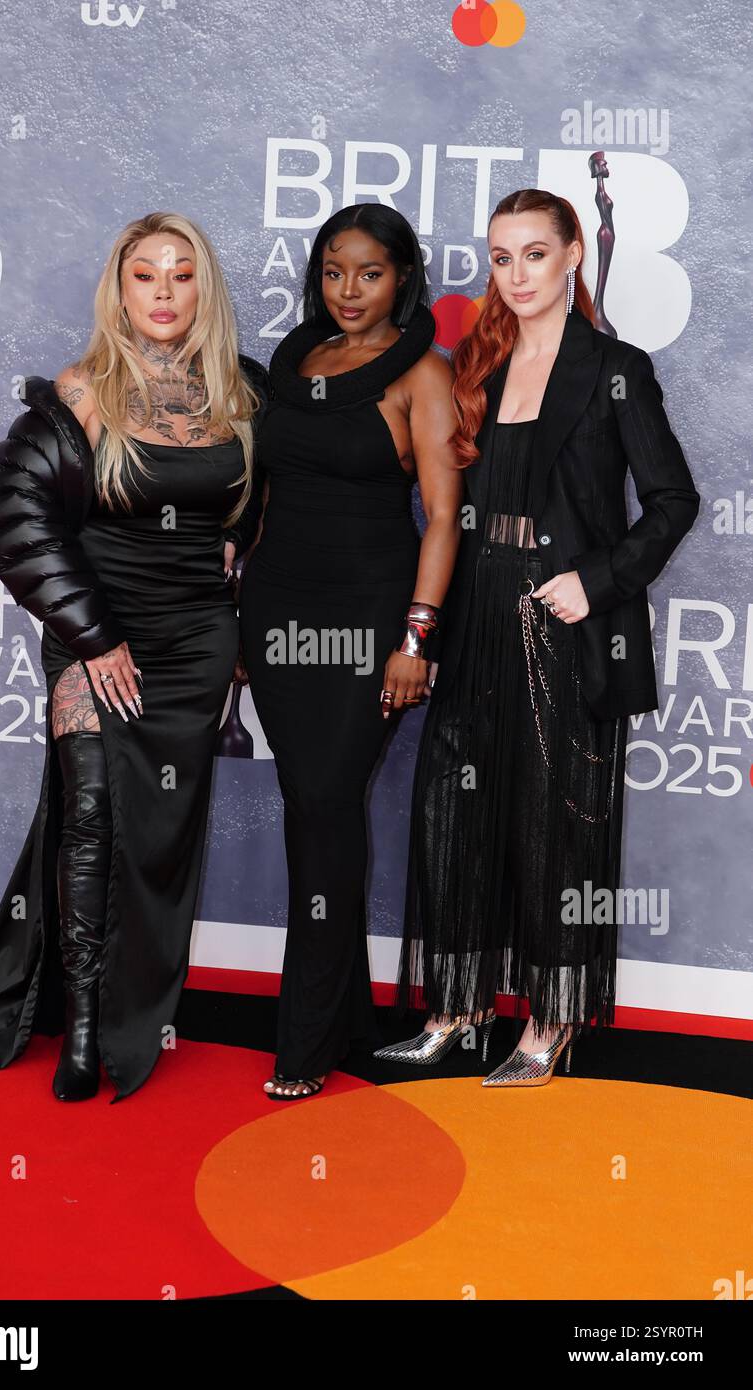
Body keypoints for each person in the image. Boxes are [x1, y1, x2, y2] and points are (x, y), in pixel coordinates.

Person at [0, 212, 268, 1102]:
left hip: (197, 641)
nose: (162, 293)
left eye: (181, 275)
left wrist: (240, 551)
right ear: (118, 291)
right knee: (89, 817)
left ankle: (138, 1008)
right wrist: (92, 635)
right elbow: (8, 511)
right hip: (98, 640)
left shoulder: (242, 394)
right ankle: (81, 1023)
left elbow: (262, 504)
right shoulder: (84, 393)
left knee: (160, 830)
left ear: (204, 289)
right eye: (144, 276)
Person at [377, 188, 699, 1086]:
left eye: (533, 254)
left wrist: (596, 582)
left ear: (570, 259)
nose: (515, 274)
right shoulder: (473, 363)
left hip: (563, 623)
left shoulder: (615, 368)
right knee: (454, 808)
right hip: (478, 608)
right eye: (500, 257)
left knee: (553, 822)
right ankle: (457, 1004)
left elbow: (675, 502)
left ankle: (550, 1023)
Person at [238, 203, 462, 1099]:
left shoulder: (425, 374)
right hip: (279, 611)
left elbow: (443, 517)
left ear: (403, 277)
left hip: (371, 618)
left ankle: (303, 1039)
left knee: (327, 803)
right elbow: (262, 499)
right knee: (310, 804)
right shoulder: (295, 366)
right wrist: (244, 619)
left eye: (369, 273)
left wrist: (417, 635)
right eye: (333, 271)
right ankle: (346, 1017)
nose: (349, 290)